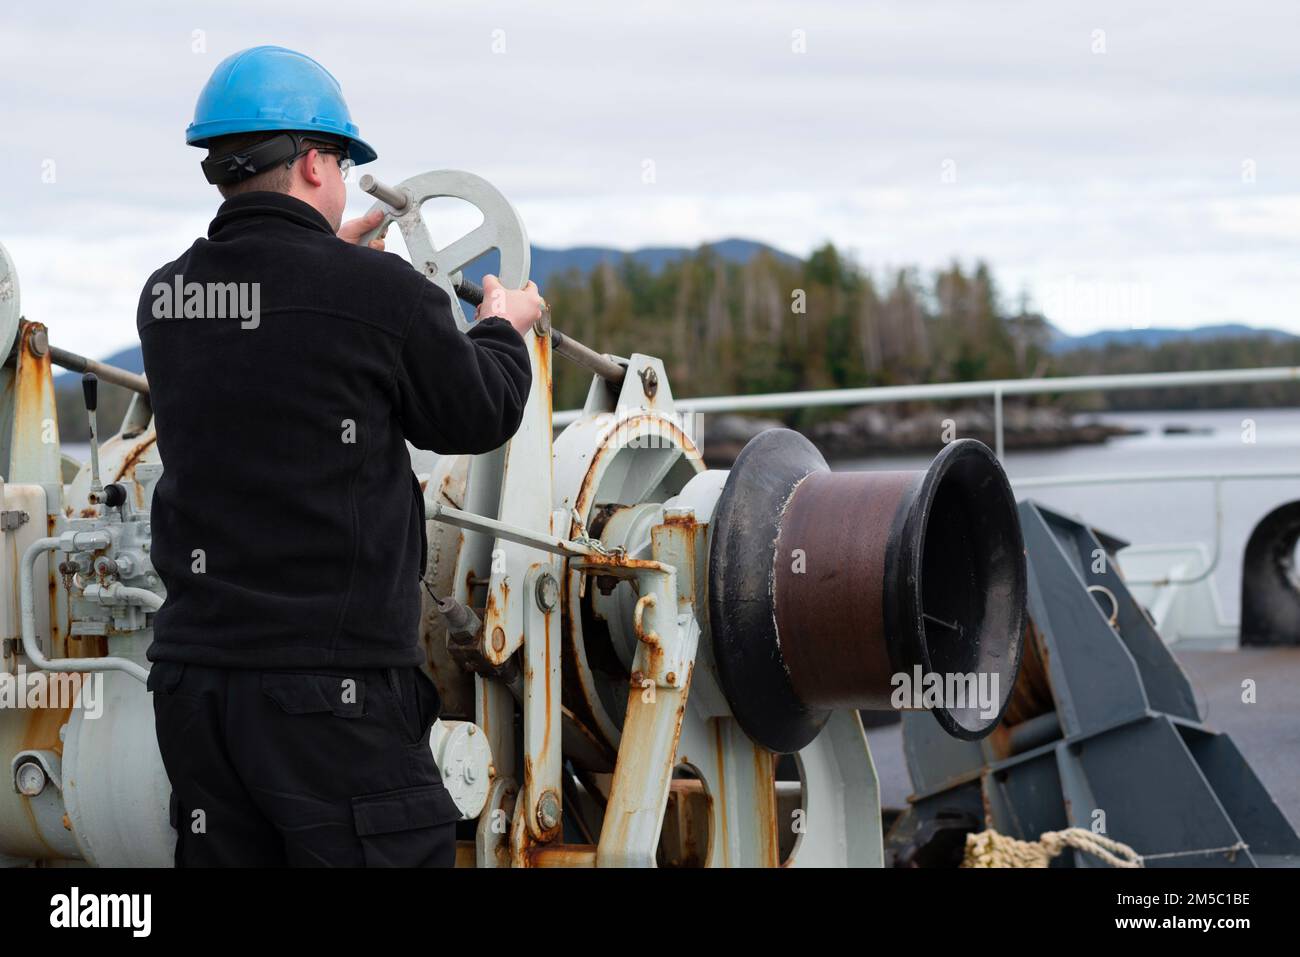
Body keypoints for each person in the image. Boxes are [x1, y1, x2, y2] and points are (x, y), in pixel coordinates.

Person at [138, 45, 540, 867]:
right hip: (332, 697)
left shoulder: (168, 297)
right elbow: (479, 407)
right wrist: (505, 324)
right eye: (344, 164)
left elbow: (277, 329)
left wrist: (342, 268)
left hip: (194, 688)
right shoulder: (381, 297)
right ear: (317, 160)